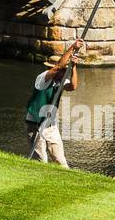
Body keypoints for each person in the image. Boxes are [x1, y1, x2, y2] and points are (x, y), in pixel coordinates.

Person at [25, 38, 82, 167]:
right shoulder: (43, 78)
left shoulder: (60, 81)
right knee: (41, 161)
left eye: (65, 71)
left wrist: (73, 67)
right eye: (63, 71)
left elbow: (73, 86)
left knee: (60, 160)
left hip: (51, 125)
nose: (64, 73)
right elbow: (58, 67)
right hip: (35, 124)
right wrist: (73, 47)